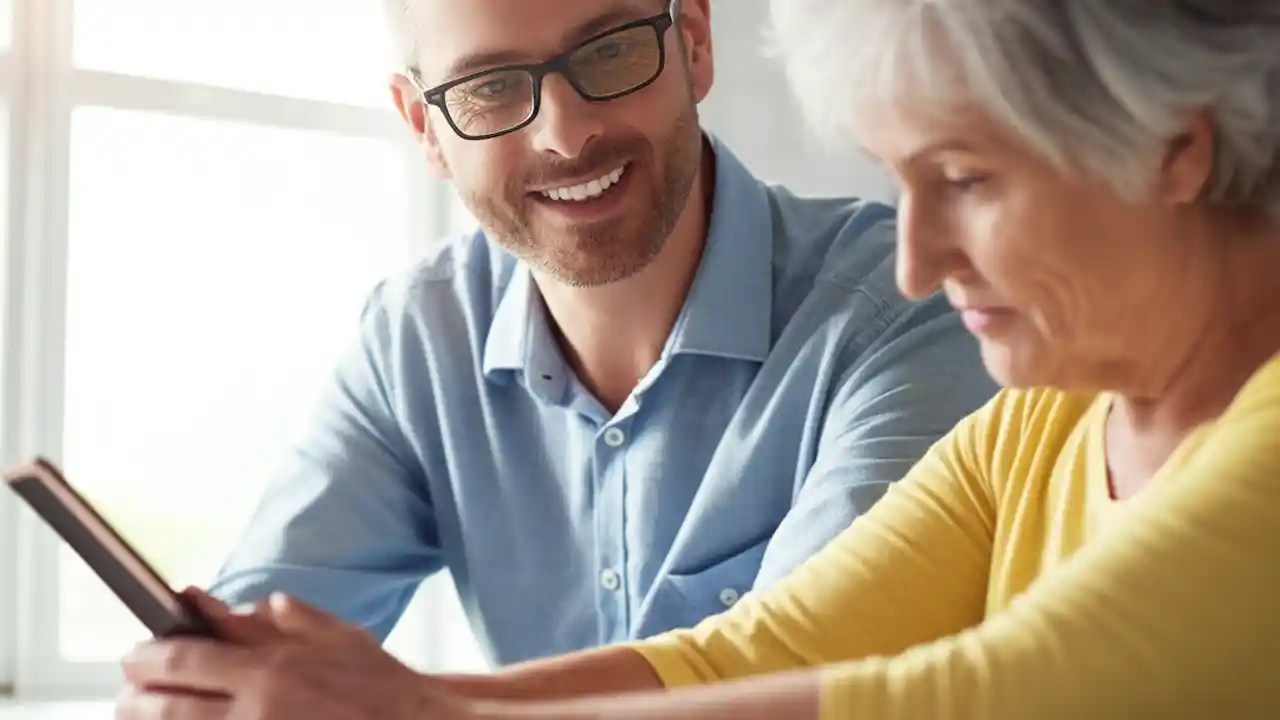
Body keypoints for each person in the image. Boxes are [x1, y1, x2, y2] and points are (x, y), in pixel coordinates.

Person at [115, 0, 1280, 717]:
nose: (918, 258)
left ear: (1168, 149)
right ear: (420, 124)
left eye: (963, 179)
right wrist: (381, 700)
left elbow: (957, 699)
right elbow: (751, 652)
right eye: (489, 88)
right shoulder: (1042, 420)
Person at [197, 0, 992, 670]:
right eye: (491, 87)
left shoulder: (912, 304)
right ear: (425, 129)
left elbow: (807, 687)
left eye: (609, 52)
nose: (567, 135)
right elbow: (239, 655)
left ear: (695, 45)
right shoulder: (417, 344)